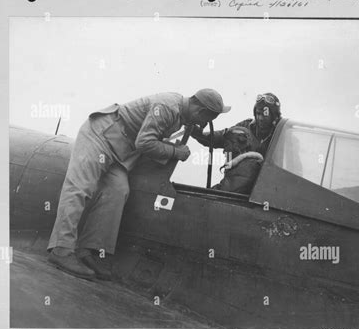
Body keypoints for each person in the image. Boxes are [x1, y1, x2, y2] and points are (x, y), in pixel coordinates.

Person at [47, 89, 231, 280]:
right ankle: (61, 249)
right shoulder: (167, 107)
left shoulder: (183, 116)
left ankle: (89, 250)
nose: (204, 123)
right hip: (100, 135)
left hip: (121, 150)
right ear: (200, 110)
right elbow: (144, 143)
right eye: (208, 118)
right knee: (80, 186)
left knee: (118, 190)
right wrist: (176, 152)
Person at [191, 92, 281, 157]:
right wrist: (199, 134)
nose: (260, 118)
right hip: (237, 180)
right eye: (258, 113)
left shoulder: (281, 136)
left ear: (274, 116)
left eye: (265, 115)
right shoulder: (245, 126)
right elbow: (222, 136)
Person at [212, 126, 263, 195]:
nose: (224, 151)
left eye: (227, 145)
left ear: (236, 145)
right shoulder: (241, 165)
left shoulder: (247, 166)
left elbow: (223, 191)